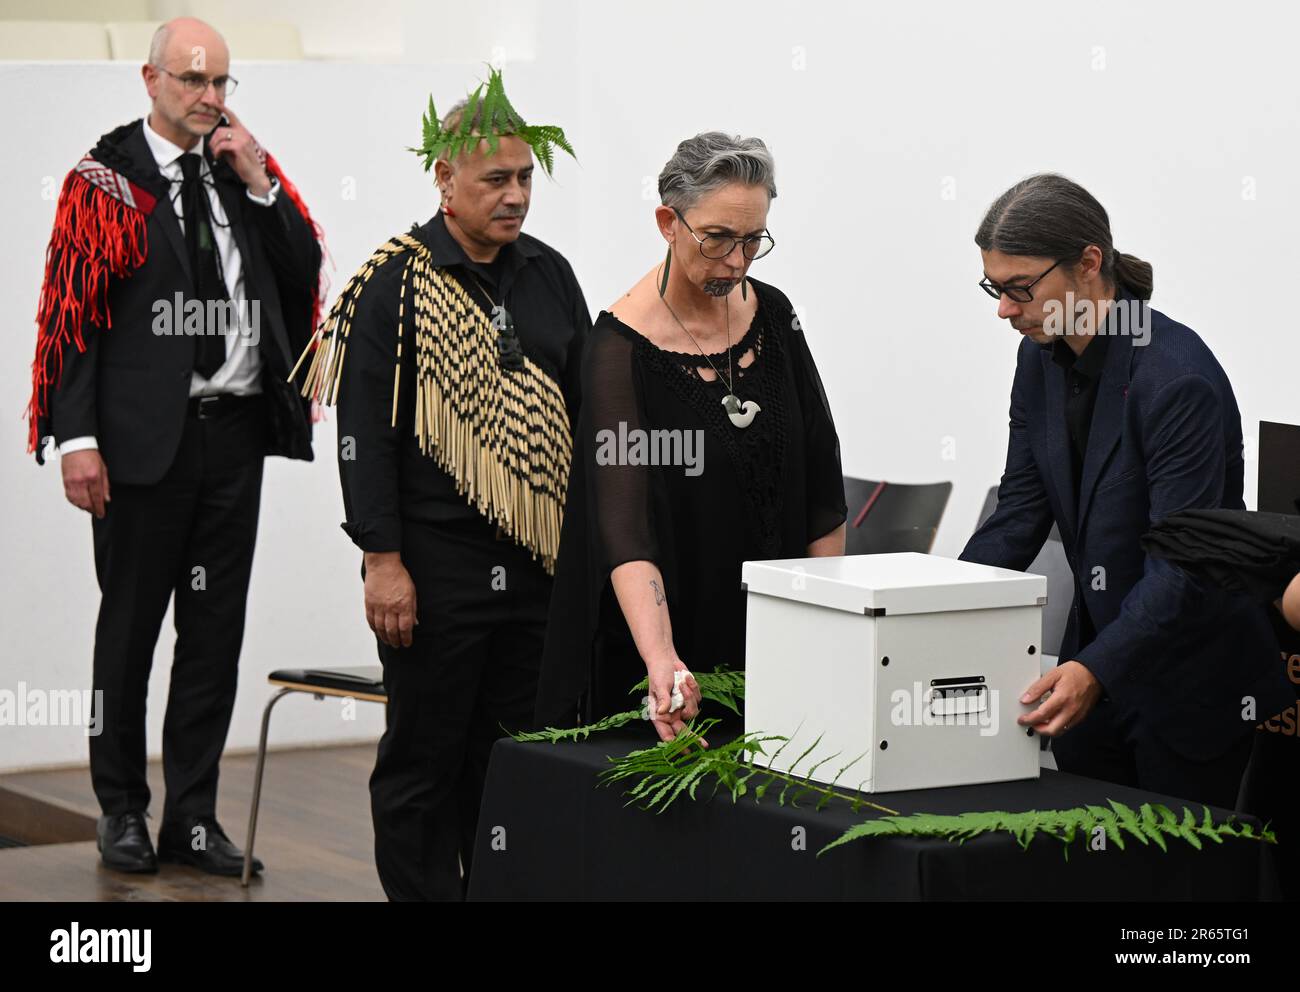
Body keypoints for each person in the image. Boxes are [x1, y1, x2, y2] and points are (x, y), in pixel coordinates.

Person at [27, 17, 323, 875]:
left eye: (223, 83)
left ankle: (193, 818)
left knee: (213, 635)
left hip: (231, 436)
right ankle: (121, 808)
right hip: (138, 448)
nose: (210, 98)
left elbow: (302, 272)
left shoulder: (241, 172)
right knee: (127, 634)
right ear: (151, 80)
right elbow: (72, 316)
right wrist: (75, 437)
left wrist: (261, 183)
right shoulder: (104, 180)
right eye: (194, 81)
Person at [295, 69, 588, 901]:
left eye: (526, 177)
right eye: (496, 178)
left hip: (533, 564)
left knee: (515, 756)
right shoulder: (395, 280)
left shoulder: (550, 275)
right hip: (432, 568)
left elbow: (583, 408)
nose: (516, 195)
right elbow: (364, 437)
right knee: (425, 760)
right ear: (445, 178)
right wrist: (382, 560)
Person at [961, 173, 1293, 807]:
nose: (1004, 310)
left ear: (1089, 264)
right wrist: (933, 605)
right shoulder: (1039, 357)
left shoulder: (1176, 377)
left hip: (1191, 684)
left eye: (1019, 289)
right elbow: (1020, 512)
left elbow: (1185, 562)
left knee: (1181, 888)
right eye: (993, 289)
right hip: (1100, 672)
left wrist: (1096, 668)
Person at [534, 132, 847, 741]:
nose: (736, 261)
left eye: (753, 240)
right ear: (667, 223)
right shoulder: (619, 352)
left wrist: (823, 626)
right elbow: (624, 533)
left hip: (775, 636)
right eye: (718, 239)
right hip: (669, 646)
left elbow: (822, 487)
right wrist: (662, 660)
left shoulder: (776, 317)